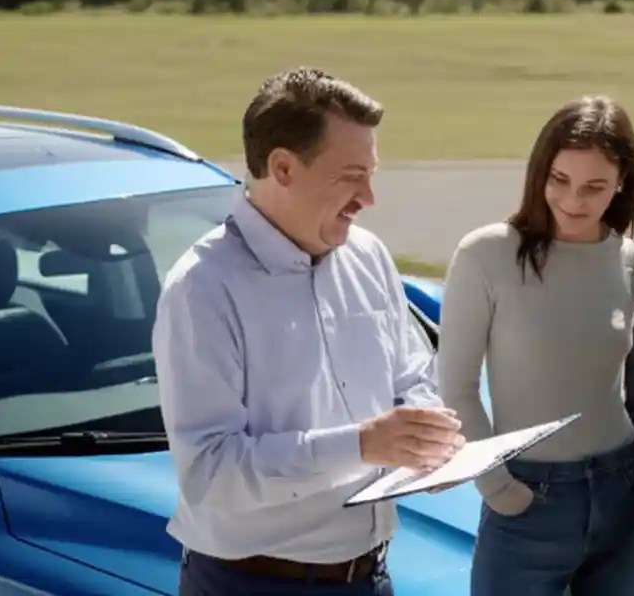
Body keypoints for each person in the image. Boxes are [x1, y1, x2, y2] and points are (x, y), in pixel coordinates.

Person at [152, 66, 465, 596]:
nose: (369, 197)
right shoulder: (202, 288)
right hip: (251, 585)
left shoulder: (368, 255)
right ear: (283, 168)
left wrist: (427, 440)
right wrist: (361, 446)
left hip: (370, 577)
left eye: (371, 174)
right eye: (351, 176)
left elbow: (412, 377)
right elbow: (211, 474)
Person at [438, 95, 634, 596]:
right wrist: (498, 488)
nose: (572, 200)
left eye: (594, 187)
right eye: (559, 179)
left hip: (623, 497)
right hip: (527, 500)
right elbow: (456, 388)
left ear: (622, 182)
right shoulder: (486, 255)